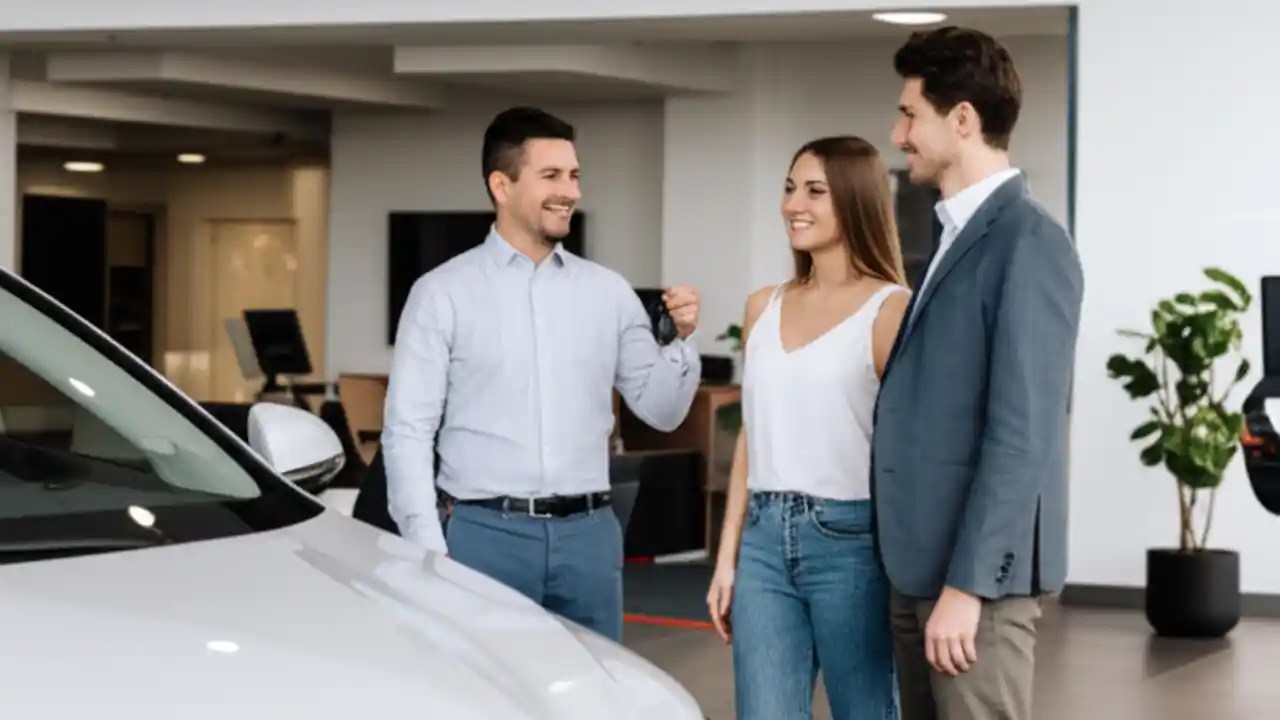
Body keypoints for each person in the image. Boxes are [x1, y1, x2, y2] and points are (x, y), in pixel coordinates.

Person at [381, 106, 703, 642]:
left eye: (574, 175)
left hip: (591, 538)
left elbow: (662, 411)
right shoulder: (442, 293)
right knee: (489, 698)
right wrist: (427, 549)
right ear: (501, 185)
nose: (570, 191)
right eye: (551, 176)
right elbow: (407, 432)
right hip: (483, 537)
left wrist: (681, 344)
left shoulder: (608, 292)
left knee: (594, 695)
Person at [873, 26, 1084, 720]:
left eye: (911, 114)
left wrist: (968, 589)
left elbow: (1023, 435)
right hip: (919, 570)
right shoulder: (951, 236)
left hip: (971, 589)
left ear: (962, 119)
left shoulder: (1029, 242)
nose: (899, 134)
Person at [705, 136, 911, 720]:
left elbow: (912, 448)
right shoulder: (761, 306)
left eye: (815, 190)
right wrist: (728, 559)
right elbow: (753, 432)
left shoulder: (891, 310)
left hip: (852, 543)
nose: (795, 203)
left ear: (855, 200)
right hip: (765, 544)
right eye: (791, 188)